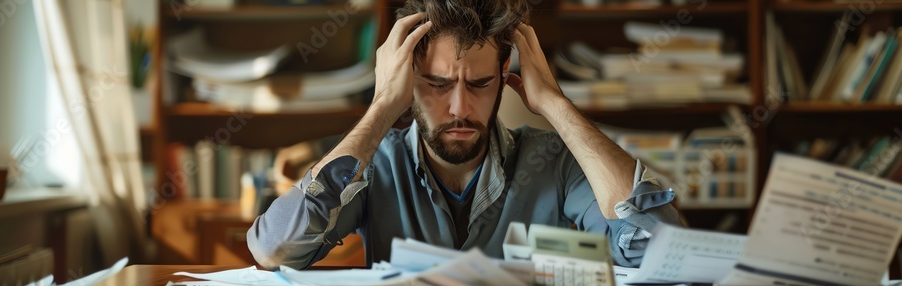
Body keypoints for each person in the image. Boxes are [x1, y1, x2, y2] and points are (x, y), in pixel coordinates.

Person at [246, 0, 683, 270]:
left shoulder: (553, 160)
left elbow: (661, 249)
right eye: (436, 84)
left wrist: (555, 103)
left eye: (479, 85)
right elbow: (273, 250)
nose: (459, 108)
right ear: (408, 81)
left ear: (504, 79)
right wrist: (381, 108)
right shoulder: (377, 165)